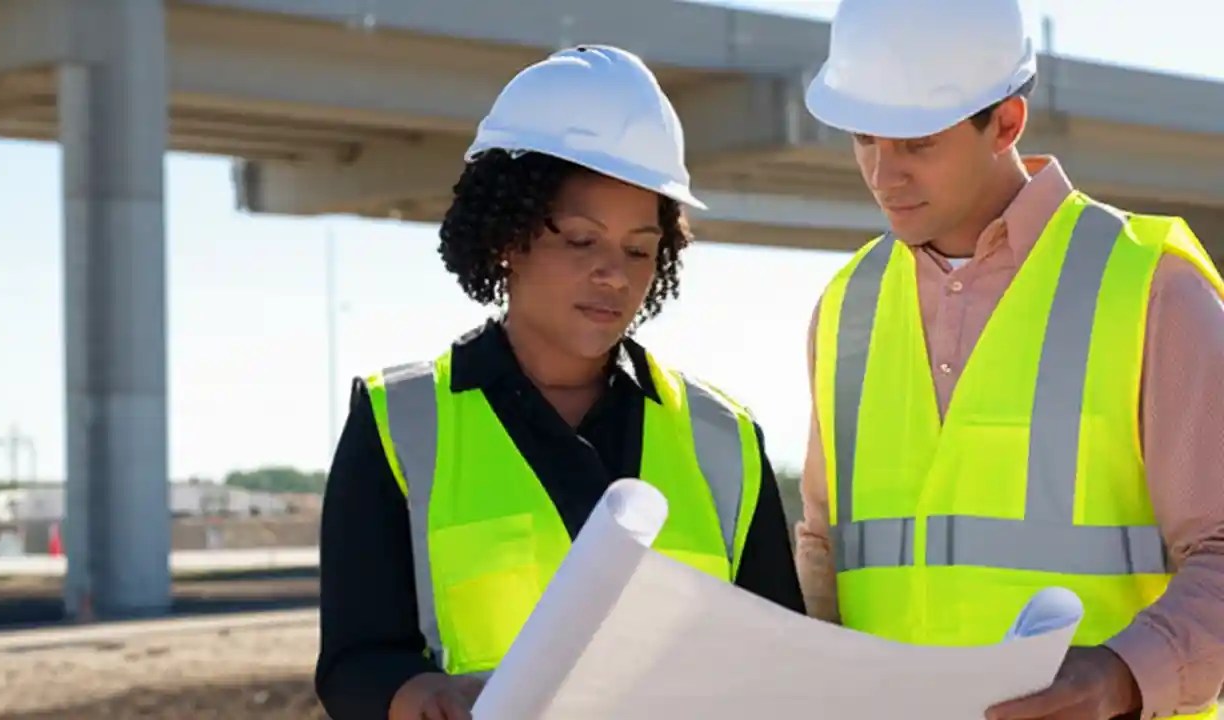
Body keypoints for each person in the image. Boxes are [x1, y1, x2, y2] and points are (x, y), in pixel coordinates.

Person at [315, 45, 805, 720]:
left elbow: (780, 668)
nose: (615, 273)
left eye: (639, 249)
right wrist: (422, 697)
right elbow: (354, 661)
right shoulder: (398, 425)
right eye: (581, 241)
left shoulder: (724, 439)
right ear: (506, 238)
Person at [794, 1, 1224, 718]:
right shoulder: (847, 307)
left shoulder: (1153, 290)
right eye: (864, 138)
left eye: (917, 143)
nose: (883, 174)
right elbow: (826, 548)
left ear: (1007, 123)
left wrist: (1123, 675)